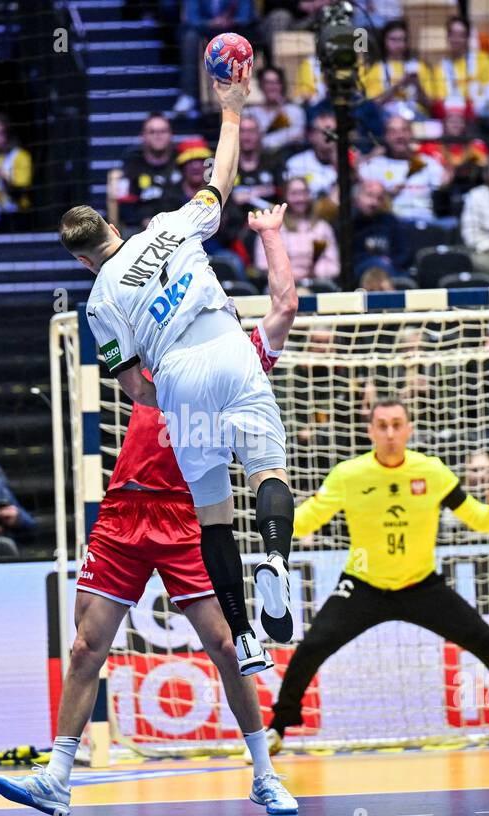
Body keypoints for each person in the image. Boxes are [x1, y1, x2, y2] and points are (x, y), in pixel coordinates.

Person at [0, 202, 300, 816]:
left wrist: (270, 235)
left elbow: (284, 305)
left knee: (226, 641)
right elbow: (130, 364)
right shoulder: (150, 338)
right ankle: (57, 778)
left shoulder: (245, 355)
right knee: (87, 646)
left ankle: (265, 773)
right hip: (125, 511)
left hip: (185, 515)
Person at [62, 63, 299, 682]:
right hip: (229, 343)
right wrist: (231, 107)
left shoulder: (100, 302)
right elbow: (220, 177)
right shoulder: (167, 225)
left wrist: (169, 394)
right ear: (116, 227)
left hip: (180, 375)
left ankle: (243, 635)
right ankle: (274, 557)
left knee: (213, 514)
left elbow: (136, 386)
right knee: (268, 471)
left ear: (86, 259)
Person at [267, 397, 489, 749]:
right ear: (370, 432)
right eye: (382, 426)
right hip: (362, 584)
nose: (390, 433)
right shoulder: (349, 475)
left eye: (397, 425)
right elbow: (305, 523)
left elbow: (480, 520)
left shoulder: (433, 471)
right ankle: (276, 729)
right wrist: (275, 512)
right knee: (313, 646)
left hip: (422, 586)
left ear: (409, 429)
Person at [253, 176, 338, 284]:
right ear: (285, 196)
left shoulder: (322, 227)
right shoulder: (272, 227)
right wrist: (290, 274)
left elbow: (334, 265)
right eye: (294, 193)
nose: (300, 198)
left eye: (304, 192)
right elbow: (262, 264)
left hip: (316, 283)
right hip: (281, 283)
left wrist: (312, 273)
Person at [429, 16, 489, 125]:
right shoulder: (440, 68)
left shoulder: (484, 60)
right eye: (453, 35)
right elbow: (442, 102)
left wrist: (470, 109)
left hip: (484, 116)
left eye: (461, 35)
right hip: (454, 119)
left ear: (468, 38)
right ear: (447, 37)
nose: (456, 40)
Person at [361, 19, 434, 124]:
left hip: (416, 116)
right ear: (384, 41)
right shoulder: (376, 68)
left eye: (402, 39)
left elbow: (430, 105)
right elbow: (373, 104)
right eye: (393, 39)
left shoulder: (420, 67)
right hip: (386, 118)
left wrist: (417, 85)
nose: (398, 44)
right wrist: (398, 85)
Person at [115, 113, 177, 230]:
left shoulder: (181, 162)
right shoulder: (131, 164)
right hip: (141, 228)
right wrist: (143, 220)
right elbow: (123, 204)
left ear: (171, 135)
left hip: (179, 225)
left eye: (163, 131)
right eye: (152, 132)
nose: (158, 136)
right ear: (143, 136)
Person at [243, 66, 305, 154]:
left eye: (276, 82)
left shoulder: (295, 112)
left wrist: (263, 138)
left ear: (282, 85)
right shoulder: (250, 113)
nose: (272, 86)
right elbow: (246, 141)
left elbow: (297, 137)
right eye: (268, 82)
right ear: (261, 85)